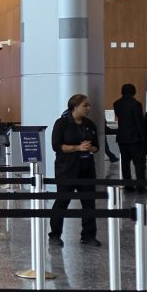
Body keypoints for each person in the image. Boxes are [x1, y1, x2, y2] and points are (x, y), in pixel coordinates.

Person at [49, 94, 100, 247]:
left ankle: (88, 236)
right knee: (62, 202)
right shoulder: (61, 123)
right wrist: (77, 148)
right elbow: (57, 146)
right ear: (75, 106)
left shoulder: (90, 124)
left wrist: (90, 148)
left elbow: (97, 147)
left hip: (87, 169)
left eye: (89, 105)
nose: (88, 108)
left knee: (89, 203)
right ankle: (55, 234)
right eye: (85, 105)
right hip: (67, 170)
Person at [113, 84, 147, 192]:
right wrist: (143, 137)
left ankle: (128, 186)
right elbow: (138, 122)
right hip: (135, 138)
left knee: (125, 162)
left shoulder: (117, 104)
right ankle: (140, 186)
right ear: (134, 92)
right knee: (139, 163)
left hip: (122, 137)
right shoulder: (136, 104)